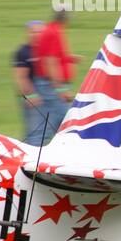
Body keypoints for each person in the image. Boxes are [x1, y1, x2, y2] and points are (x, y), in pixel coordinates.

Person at [30, 8, 77, 144]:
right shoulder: (55, 32)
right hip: (52, 86)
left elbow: (50, 56)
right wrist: (61, 89)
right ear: (66, 18)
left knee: (51, 125)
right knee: (64, 125)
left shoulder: (49, 29)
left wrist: (68, 59)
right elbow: (50, 61)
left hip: (47, 84)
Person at [13, 20, 44, 144]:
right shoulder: (23, 52)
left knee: (42, 129)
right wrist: (30, 96)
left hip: (44, 95)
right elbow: (21, 77)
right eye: (33, 31)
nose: (37, 34)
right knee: (33, 131)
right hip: (31, 95)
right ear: (28, 33)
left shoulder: (44, 50)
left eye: (40, 32)